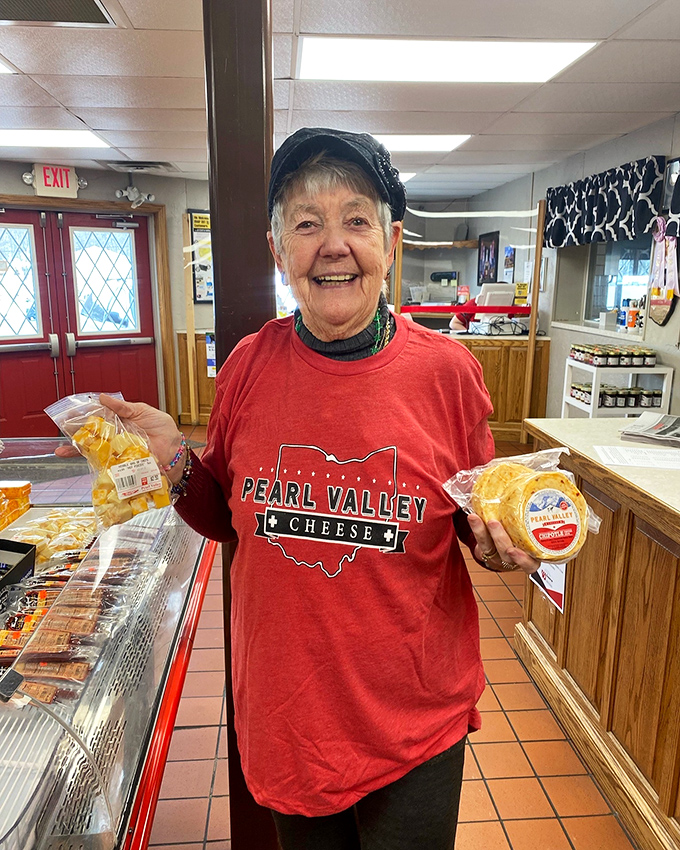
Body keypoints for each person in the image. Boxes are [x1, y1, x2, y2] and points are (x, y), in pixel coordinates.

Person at [63, 128, 539, 849]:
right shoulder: (249, 367)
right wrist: (171, 458)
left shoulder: (449, 373)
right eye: (306, 224)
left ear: (391, 241)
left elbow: (478, 522)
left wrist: (506, 548)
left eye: (356, 219)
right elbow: (228, 516)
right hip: (292, 718)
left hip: (415, 720)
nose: (333, 244)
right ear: (278, 248)